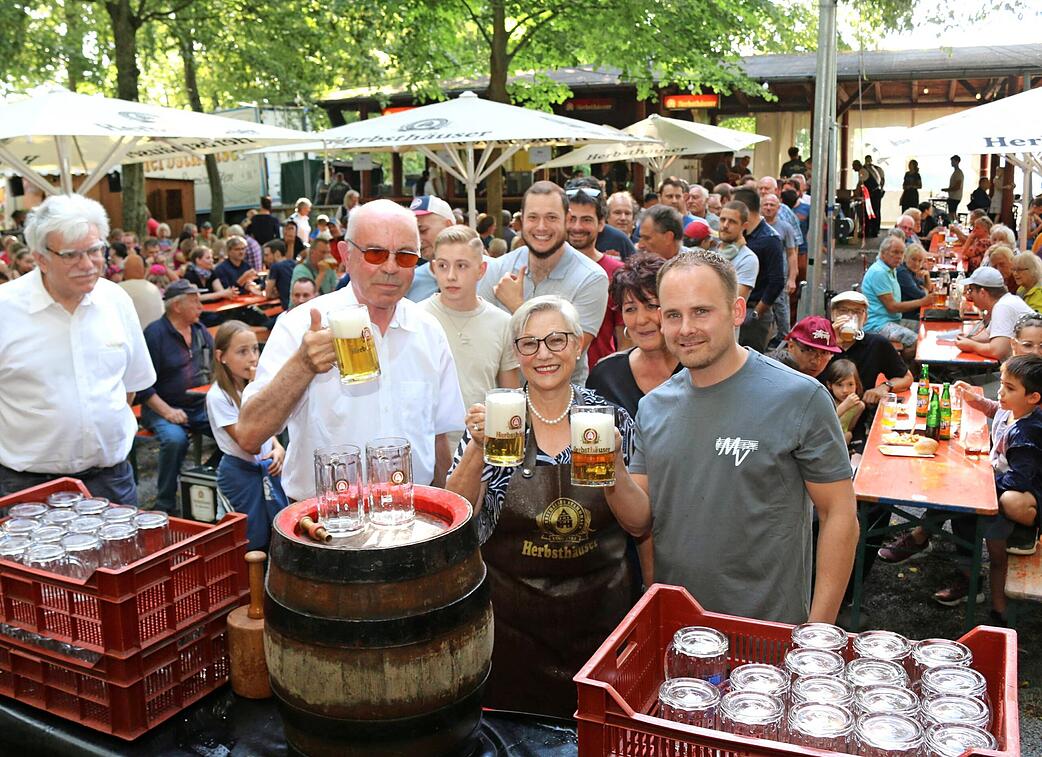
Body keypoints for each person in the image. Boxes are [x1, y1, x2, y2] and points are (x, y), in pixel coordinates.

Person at [603, 251, 858, 624]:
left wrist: (817, 633)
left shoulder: (799, 397)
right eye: (673, 315)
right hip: (682, 628)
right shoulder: (654, 406)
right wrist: (612, 468)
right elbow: (641, 521)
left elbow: (839, 514)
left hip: (769, 629)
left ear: (737, 311)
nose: (685, 328)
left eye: (701, 311)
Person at [446, 295, 639, 717]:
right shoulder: (500, 417)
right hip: (512, 626)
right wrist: (476, 448)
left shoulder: (609, 419)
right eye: (529, 344)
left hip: (599, 620)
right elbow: (457, 516)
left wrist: (617, 469)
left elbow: (639, 523)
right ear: (517, 354)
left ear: (578, 345)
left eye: (556, 340)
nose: (543, 354)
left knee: (596, 726)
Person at [236, 200, 465, 502]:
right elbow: (249, 435)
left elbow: (437, 438)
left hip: (410, 513)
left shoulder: (428, 330)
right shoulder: (301, 325)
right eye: (375, 253)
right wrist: (302, 365)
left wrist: (444, 513)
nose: (390, 268)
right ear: (346, 255)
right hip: (324, 520)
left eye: (406, 256)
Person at [0, 194, 155, 504]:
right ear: (41, 259)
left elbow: (129, 387)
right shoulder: (6, 309)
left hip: (111, 480)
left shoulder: (116, 301)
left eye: (95, 250)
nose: (87, 264)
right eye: (71, 255)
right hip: (27, 488)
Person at [881, 314, 1042, 575]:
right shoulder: (1019, 392)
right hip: (1004, 469)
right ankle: (940, 547)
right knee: (955, 475)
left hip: (1024, 488)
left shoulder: (1032, 416)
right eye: (1028, 345)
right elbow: (1004, 412)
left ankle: (962, 566)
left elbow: (1023, 470)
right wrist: (978, 401)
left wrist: (983, 479)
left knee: (969, 492)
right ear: (1013, 345)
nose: (1035, 352)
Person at [938, 355, 1042, 615]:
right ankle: (973, 584)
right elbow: (996, 410)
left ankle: (1000, 610)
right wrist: (975, 400)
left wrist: (983, 480)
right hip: (994, 485)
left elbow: (1020, 479)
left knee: (997, 555)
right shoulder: (1012, 410)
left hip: (1012, 493)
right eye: (1002, 383)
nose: (1000, 391)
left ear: (1033, 397)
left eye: (1009, 388)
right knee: (959, 509)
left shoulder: (1027, 434)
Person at [478, 181, 609, 384]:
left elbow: (568, 352)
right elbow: (484, 344)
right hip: (504, 396)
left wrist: (517, 307)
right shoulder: (497, 269)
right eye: (533, 217)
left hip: (562, 398)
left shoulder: (591, 278)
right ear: (521, 220)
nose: (541, 227)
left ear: (567, 219)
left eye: (551, 217)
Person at [421, 225, 519, 449]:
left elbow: (510, 397)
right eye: (443, 266)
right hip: (427, 449)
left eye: (461, 266)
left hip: (484, 450)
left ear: (481, 270)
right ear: (433, 268)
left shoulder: (502, 323)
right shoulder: (417, 318)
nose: (451, 276)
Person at [207, 321, 288, 550]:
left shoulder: (253, 387)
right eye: (242, 352)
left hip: (266, 467)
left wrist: (277, 447)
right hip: (239, 473)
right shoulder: (218, 396)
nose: (252, 358)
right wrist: (256, 395)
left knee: (277, 531)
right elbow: (250, 442)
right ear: (221, 356)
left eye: (254, 349)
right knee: (250, 539)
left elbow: (267, 429)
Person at [139, 280, 215, 513]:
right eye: (195, 302)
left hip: (198, 405)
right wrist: (167, 412)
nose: (200, 306)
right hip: (161, 405)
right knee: (175, 440)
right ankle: (164, 503)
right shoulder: (155, 334)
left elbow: (216, 368)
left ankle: (203, 479)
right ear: (177, 306)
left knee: (234, 432)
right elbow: (142, 385)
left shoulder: (200, 331)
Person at [565, 187, 624, 368]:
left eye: (586, 220)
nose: (577, 227)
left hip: (600, 376)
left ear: (601, 224)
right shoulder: (546, 268)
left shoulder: (617, 272)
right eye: (572, 219)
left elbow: (625, 338)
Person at [733, 189, 784, 353]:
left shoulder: (770, 239)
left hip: (753, 312)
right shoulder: (740, 234)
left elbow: (777, 282)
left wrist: (755, 313)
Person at [860, 236, 926, 360]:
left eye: (901, 253)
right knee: (918, 341)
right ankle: (901, 366)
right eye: (895, 252)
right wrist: (922, 302)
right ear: (883, 252)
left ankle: (909, 364)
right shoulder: (879, 272)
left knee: (924, 329)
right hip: (878, 325)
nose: (899, 257)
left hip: (892, 320)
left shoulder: (891, 269)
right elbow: (892, 307)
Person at [955, 266, 1034, 361]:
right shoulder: (1006, 301)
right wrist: (970, 339)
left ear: (982, 293)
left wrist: (972, 345)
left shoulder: (1003, 306)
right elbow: (990, 334)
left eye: (971, 290)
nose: (969, 295)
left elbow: (997, 351)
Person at [406, 195, 454, 302]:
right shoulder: (411, 280)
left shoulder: (488, 272)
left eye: (423, 230)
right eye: (413, 233)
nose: (418, 240)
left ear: (448, 226)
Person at [769, 315, 842, 380]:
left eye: (824, 353)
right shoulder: (771, 372)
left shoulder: (828, 379)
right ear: (791, 346)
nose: (816, 362)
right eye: (809, 350)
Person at [821, 359, 866, 446]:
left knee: (848, 435)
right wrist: (845, 406)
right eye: (839, 385)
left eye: (850, 384)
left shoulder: (859, 406)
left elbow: (849, 427)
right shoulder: (827, 401)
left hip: (840, 439)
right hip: (824, 437)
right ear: (830, 385)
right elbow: (823, 423)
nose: (845, 390)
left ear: (856, 384)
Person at [119, 253, 164, 328]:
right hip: (155, 332)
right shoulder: (154, 288)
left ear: (124, 271)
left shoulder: (119, 288)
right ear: (144, 270)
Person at [895, 243, 931, 324]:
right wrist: (925, 291)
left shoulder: (910, 271)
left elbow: (928, 289)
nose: (917, 264)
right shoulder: (902, 272)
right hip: (905, 317)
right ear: (905, 258)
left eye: (920, 260)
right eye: (913, 259)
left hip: (915, 313)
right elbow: (922, 295)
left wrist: (927, 276)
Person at [264, 240, 296, 310]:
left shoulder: (275, 267)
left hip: (288, 308)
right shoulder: (293, 263)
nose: (265, 259)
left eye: (267, 255)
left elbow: (268, 294)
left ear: (277, 253)